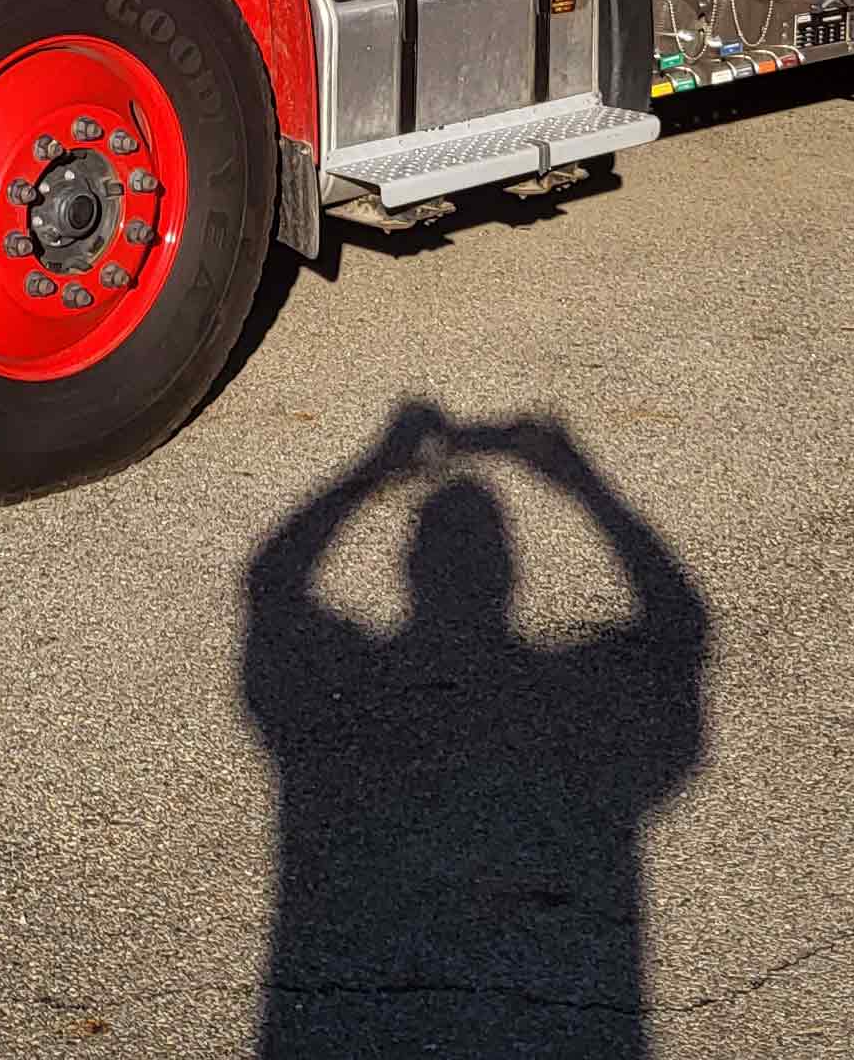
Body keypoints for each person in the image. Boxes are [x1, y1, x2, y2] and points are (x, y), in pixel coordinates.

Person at [244, 403, 710, 1058]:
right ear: (513, 572)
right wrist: (581, 482)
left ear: (406, 568)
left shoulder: (344, 694)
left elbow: (270, 587)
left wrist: (378, 466)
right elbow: (680, 628)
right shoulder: (569, 703)